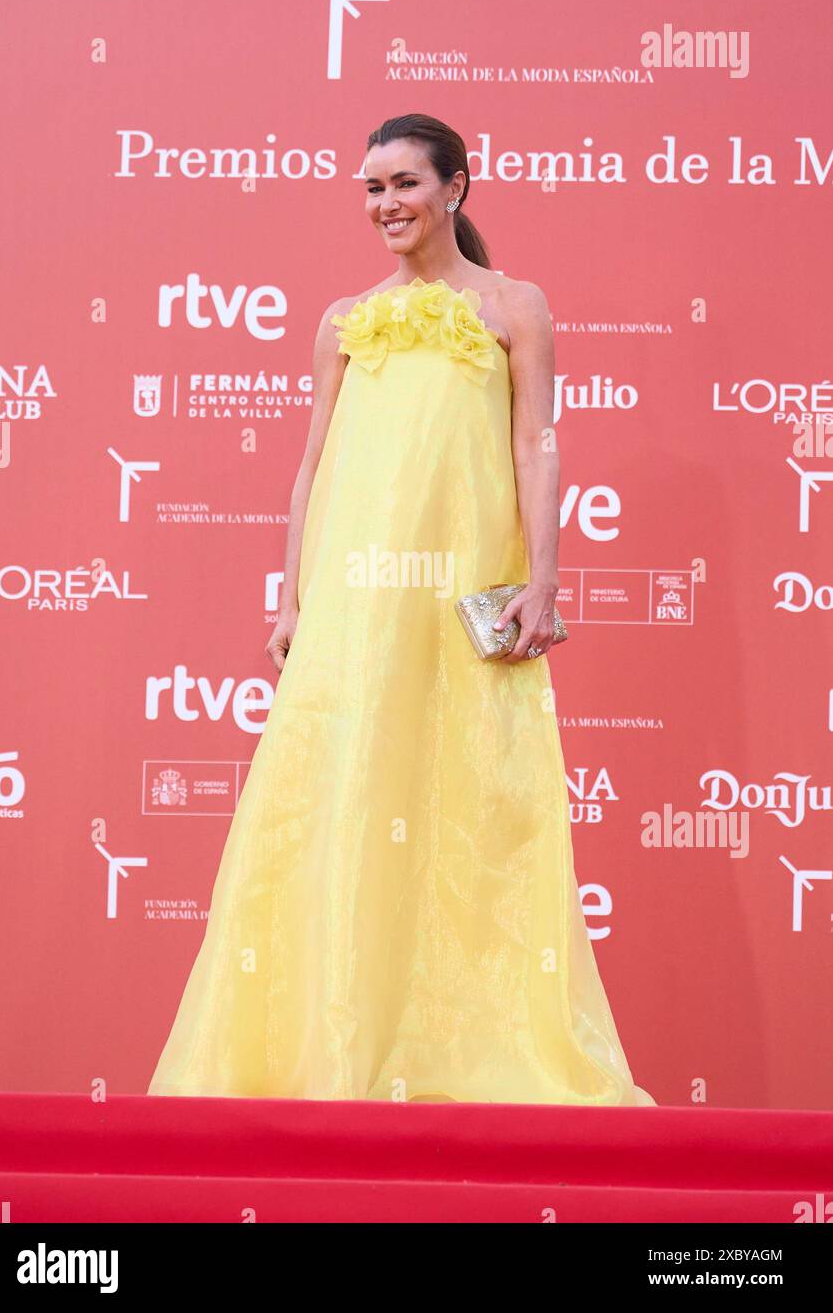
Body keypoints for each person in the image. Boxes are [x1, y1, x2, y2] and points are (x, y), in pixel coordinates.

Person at [148, 112, 655, 1107]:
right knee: (337, 800)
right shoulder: (343, 319)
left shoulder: (513, 306)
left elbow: (535, 449)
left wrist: (544, 579)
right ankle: (319, 1048)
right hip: (354, 606)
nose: (385, 205)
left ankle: (469, 1054)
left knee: (468, 800)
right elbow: (311, 469)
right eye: (371, 188)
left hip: (457, 598)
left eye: (404, 184)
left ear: (456, 189)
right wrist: (292, 596)